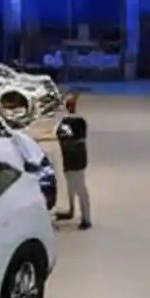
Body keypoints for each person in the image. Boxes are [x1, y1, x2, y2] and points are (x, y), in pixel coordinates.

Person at [55, 93, 91, 230]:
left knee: (78, 187)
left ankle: (85, 218)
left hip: (73, 158)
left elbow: (63, 136)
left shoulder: (71, 122)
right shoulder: (76, 121)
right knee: (72, 186)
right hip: (74, 157)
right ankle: (72, 211)